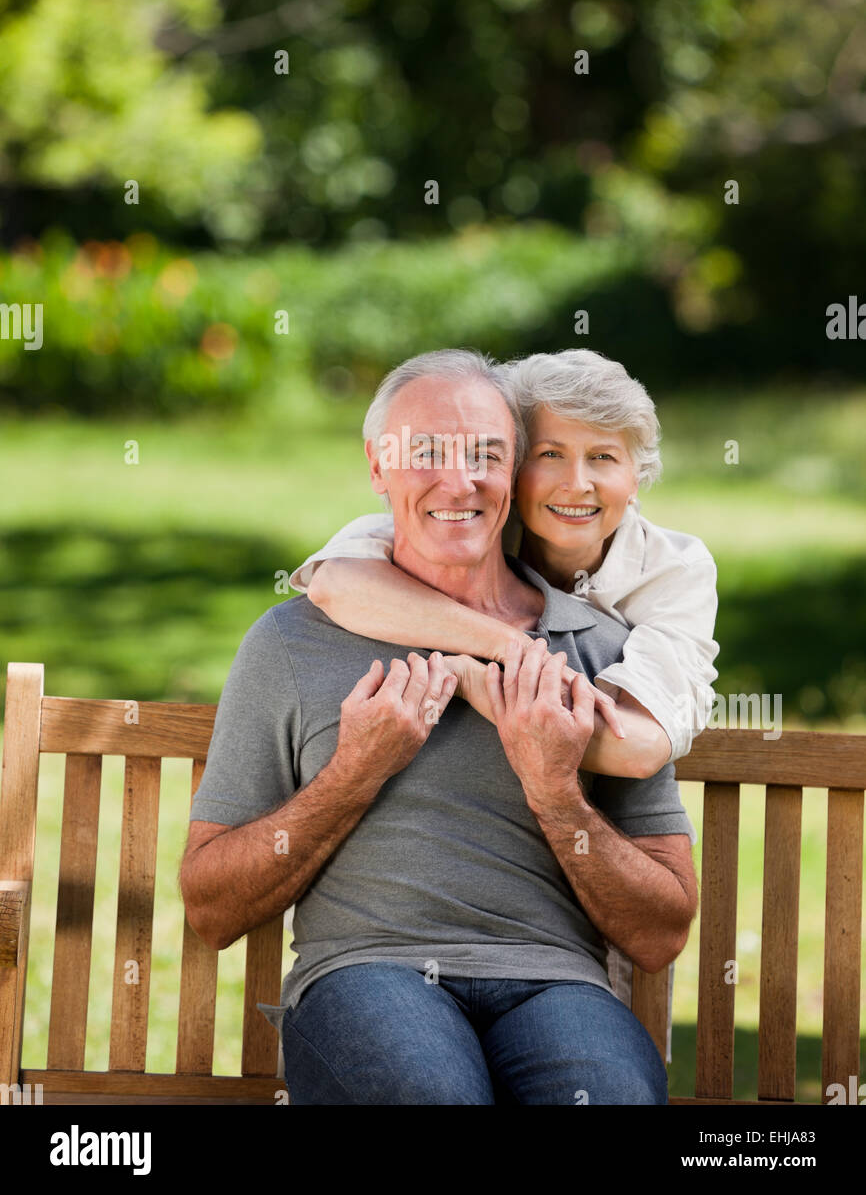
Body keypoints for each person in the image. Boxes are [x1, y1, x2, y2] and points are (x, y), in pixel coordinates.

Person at [180, 348, 698, 1105]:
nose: (460, 482)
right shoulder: (293, 644)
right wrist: (355, 771)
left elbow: (661, 931)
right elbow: (209, 908)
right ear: (377, 466)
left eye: (487, 455)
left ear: (514, 472)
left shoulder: (603, 658)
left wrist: (555, 790)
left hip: (555, 986)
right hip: (367, 974)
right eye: (427, 453)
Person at [292, 349, 719, 775]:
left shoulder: (674, 572)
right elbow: (335, 584)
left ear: (637, 477)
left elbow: (637, 748)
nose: (576, 484)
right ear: (512, 464)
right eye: (550, 454)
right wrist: (512, 647)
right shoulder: (469, 518)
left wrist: (479, 683)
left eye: (603, 457)